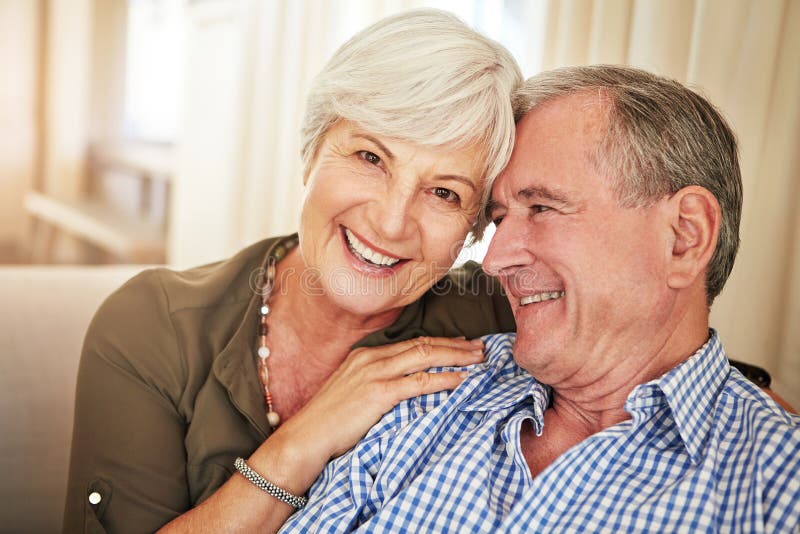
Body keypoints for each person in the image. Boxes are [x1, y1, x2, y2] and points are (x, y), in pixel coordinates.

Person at [281, 65, 800, 532]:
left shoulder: (779, 483)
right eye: (501, 218)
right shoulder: (430, 396)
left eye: (543, 208)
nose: (494, 259)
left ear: (684, 236)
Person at [62, 9, 523, 533]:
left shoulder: (505, 320)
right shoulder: (151, 325)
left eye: (445, 192)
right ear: (311, 152)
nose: (392, 222)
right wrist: (304, 441)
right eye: (371, 157)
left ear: (475, 227)